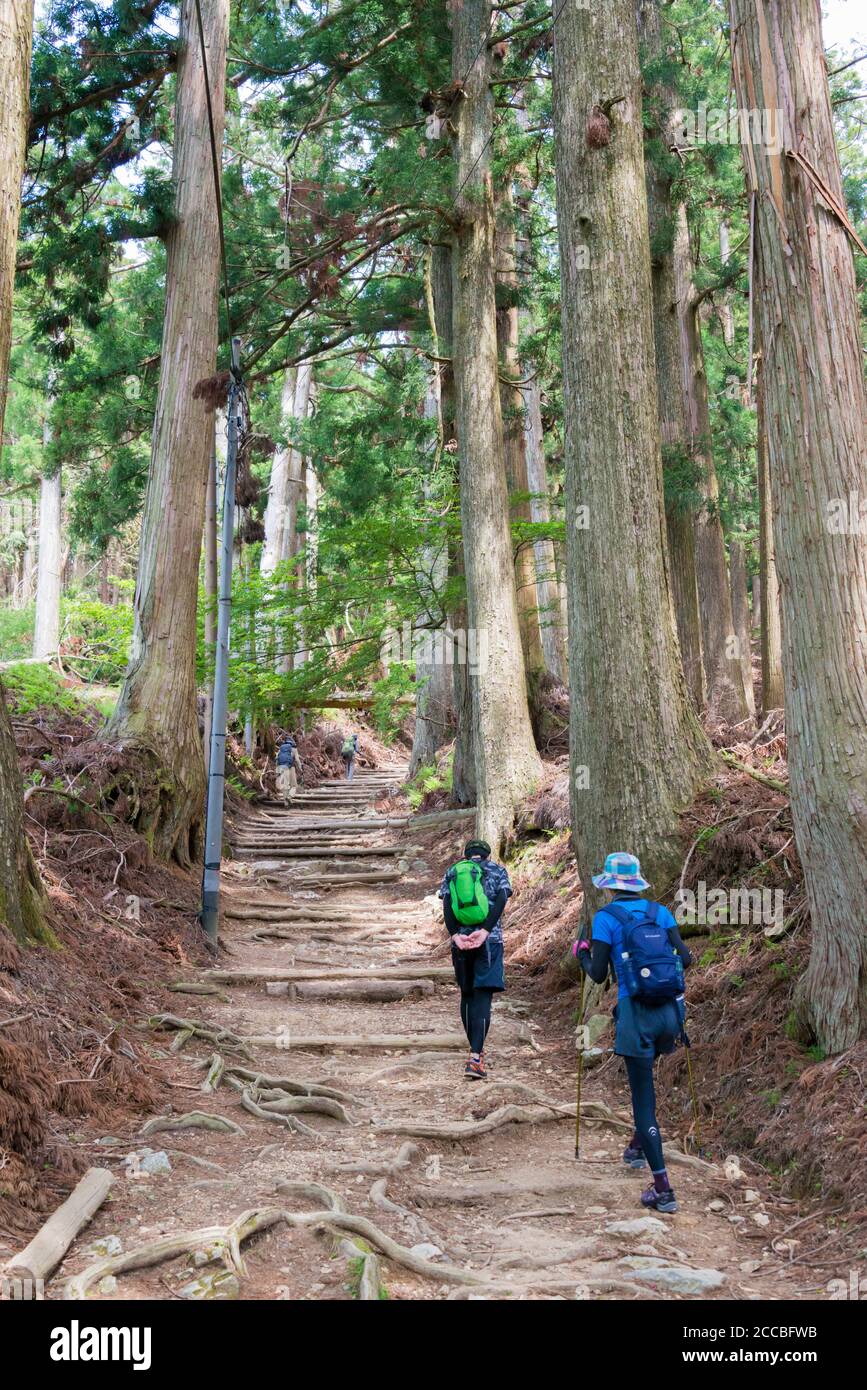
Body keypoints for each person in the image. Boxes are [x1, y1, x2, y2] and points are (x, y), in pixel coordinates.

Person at [573, 851, 691, 1214]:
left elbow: (596, 973)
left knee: (643, 1102)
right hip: (670, 1016)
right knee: (648, 1087)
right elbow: (685, 958)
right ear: (637, 882)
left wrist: (581, 951)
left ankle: (662, 1188)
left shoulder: (606, 918)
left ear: (609, 886)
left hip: (636, 1016)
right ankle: (637, 1148)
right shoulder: (661, 912)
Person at [439, 839, 512, 1080]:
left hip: (461, 941)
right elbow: (502, 899)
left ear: (467, 855)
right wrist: (486, 930)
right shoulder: (498, 870)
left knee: (467, 995)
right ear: (487, 855)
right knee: (483, 996)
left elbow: (447, 906)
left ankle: (474, 1052)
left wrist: (455, 935)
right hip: (489, 942)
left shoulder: (453, 872)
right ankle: (475, 1056)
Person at [275, 733, 302, 803]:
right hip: (290, 767)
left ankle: (286, 803)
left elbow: (276, 758)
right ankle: (289, 796)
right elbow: (297, 760)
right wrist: (300, 768)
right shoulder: (294, 748)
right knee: (294, 786)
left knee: (285, 786)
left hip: (281, 767)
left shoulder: (281, 749)